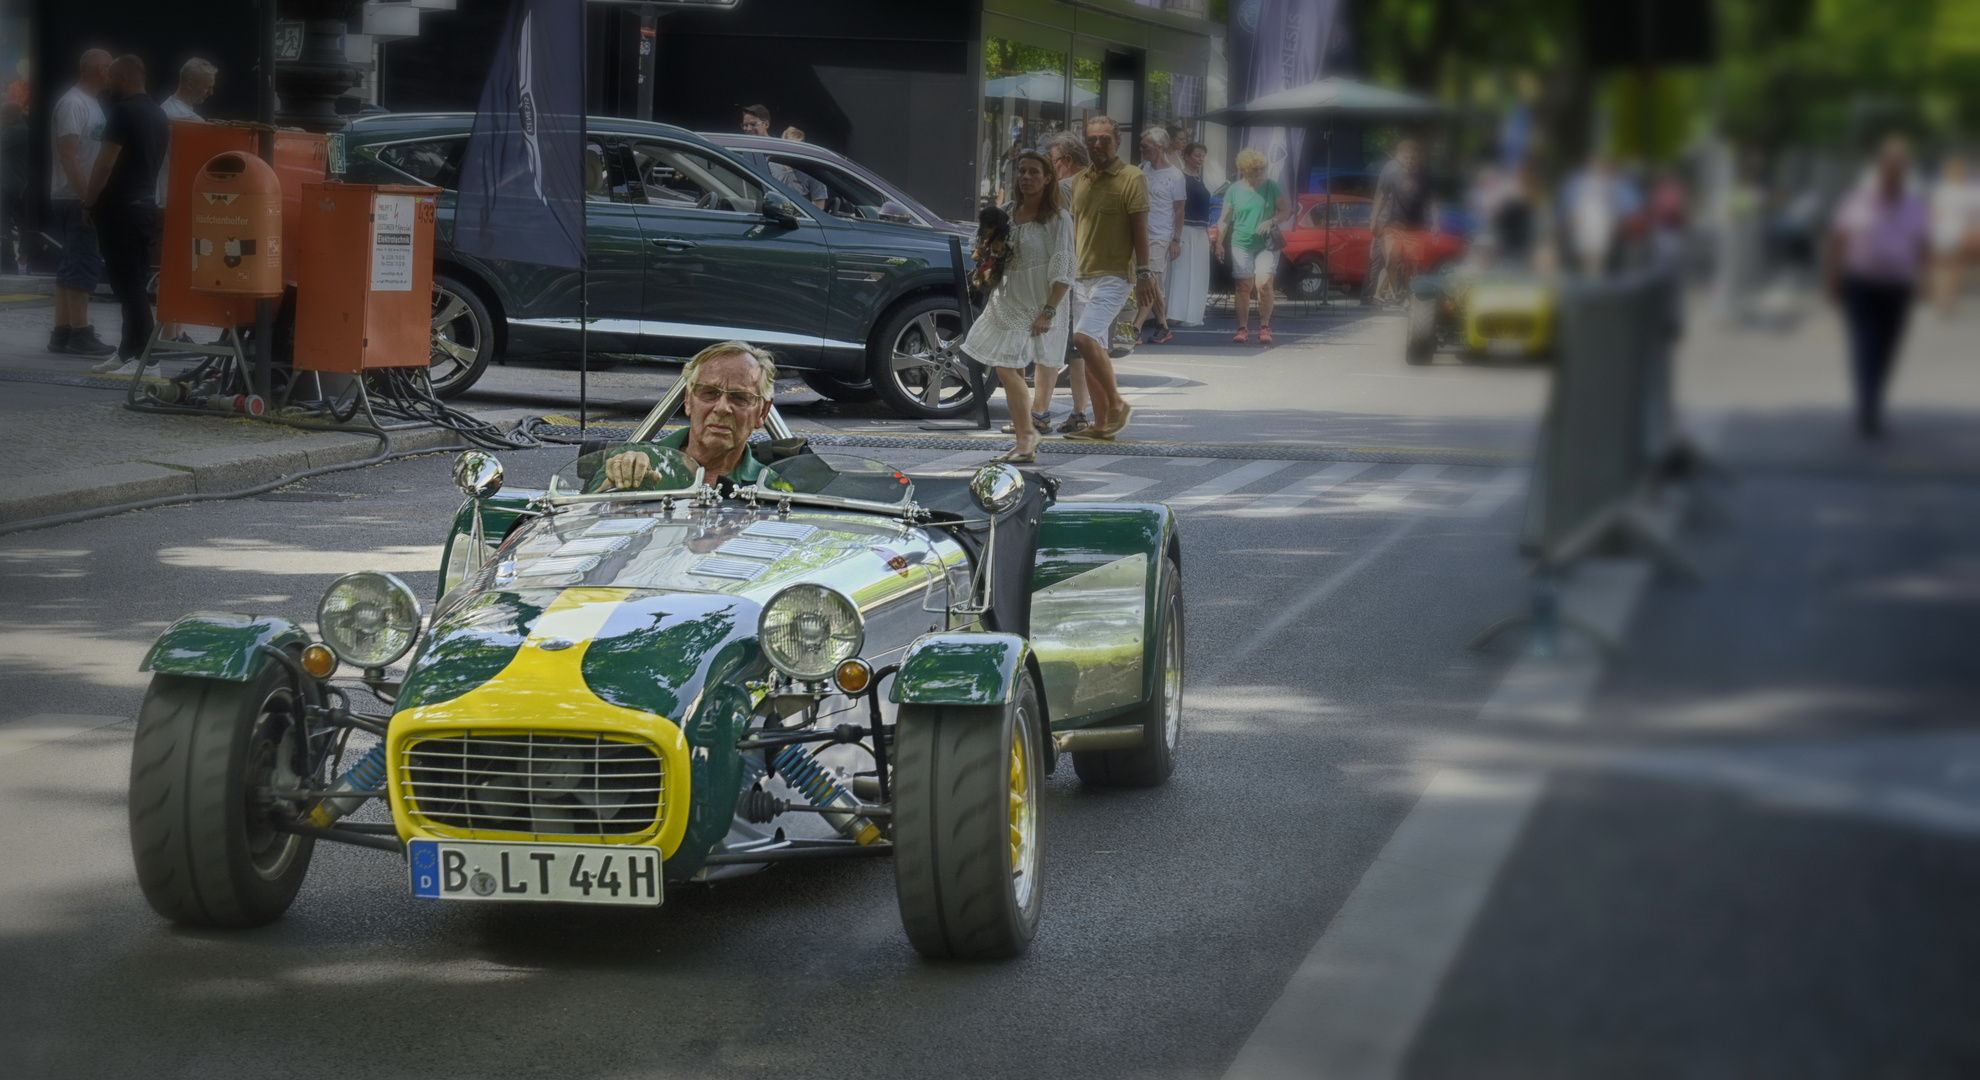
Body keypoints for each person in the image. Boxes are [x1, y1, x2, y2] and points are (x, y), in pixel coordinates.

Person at [960, 149, 1073, 463]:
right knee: (1009, 368)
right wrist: (985, 247)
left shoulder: (1058, 218)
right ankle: (1025, 439)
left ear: (1048, 178)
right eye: (1022, 171)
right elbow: (979, 247)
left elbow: (1065, 270)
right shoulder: (1007, 211)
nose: (1026, 177)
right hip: (1006, 299)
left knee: (1008, 368)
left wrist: (1048, 311)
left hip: (1039, 302)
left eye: (1034, 172)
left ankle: (1026, 439)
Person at [1824, 136, 1930, 440]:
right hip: (1861, 283)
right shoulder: (1856, 199)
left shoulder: (1915, 205)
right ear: (1879, 166)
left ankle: (1873, 400)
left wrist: (1925, 281)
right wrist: (1832, 280)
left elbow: (1923, 245)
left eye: (1901, 167)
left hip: (1898, 288)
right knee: (1865, 346)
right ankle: (1868, 408)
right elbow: (1837, 240)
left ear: (1907, 171)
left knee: (1887, 350)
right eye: (1890, 166)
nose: (1895, 172)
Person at [1067, 115, 1152, 440]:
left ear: (1117, 143)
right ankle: (1102, 425)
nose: (1097, 144)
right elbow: (1076, 230)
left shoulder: (1132, 177)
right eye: (1092, 139)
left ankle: (1117, 404)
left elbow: (1140, 229)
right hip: (1081, 275)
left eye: (1104, 139)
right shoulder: (1080, 180)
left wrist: (1144, 273)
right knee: (1091, 350)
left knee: (1084, 339)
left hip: (1115, 275)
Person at [596, 341, 780, 490]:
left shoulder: (771, 486)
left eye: (740, 397)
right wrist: (613, 485)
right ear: (688, 401)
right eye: (709, 393)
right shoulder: (632, 458)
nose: (722, 408)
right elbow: (579, 518)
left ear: (762, 411)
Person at [83, 54, 168, 377]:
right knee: (132, 282)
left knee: (128, 286)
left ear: (124, 78)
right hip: (145, 204)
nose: (107, 84)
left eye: (111, 78)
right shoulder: (158, 114)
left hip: (119, 208)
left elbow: (104, 164)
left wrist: (89, 204)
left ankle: (149, 361)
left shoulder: (122, 112)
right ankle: (126, 352)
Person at [48, 48, 113, 358]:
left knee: (71, 264)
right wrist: (89, 196)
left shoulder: (90, 103)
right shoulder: (75, 103)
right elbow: (68, 153)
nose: (112, 73)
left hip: (76, 196)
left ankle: (62, 332)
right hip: (77, 197)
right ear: (100, 69)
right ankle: (80, 333)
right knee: (83, 263)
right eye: (110, 67)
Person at [156, 57, 216, 348]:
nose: (210, 92)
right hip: (179, 200)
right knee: (177, 267)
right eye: (206, 86)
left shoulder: (163, 110)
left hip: (167, 196)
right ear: (190, 83)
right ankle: (171, 332)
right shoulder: (188, 121)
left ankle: (176, 330)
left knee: (175, 265)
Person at [1041, 130, 1094, 434]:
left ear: (1066, 161)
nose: (1049, 166)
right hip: (1098, 273)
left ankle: (1039, 413)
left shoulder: (1064, 187)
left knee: (1050, 341)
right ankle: (1080, 412)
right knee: (1081, 348)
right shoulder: (1102, 183)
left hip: (1068, 272)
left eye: (1051, 160)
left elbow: (1055, 231)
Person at [1214, 148, 1288, 344]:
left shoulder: (1272, 186)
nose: (1259, 171)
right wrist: (1218, 243)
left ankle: (1264, 327)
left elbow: (1285, 211)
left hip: (1266, 244)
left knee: (1264, 283)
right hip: (1241, 242)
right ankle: (1242, 328)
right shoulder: (1234, 190)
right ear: (1244, 169)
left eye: (1262, 168)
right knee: (1243, 286)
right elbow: (1224, 220)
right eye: (1255, 169)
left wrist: (1271, 221)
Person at [1133, 128, 1185, 344]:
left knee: (1149, 279)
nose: (1141, 149)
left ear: (1159, 147)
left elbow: (1180, 210)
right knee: (1149, 282)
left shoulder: (1175, 176)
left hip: (1160, 235)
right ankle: (1162, 325)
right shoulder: (1142, 169)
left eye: (1146, 146)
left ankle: (1135, 328)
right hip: (1140, 233)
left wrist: (1176, 239)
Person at [1369, 137, 1430, 303]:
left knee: (1398, 263)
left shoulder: (1419, 174)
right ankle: (1385, 293)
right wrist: (1375, 220)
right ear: (1400, 154)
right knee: (1388, 260)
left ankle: (1388, 294)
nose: (1408, 159)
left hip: (1407, 226)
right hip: (1389, 222)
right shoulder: (1392, 170)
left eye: (1411, 157)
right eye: (1405, 155)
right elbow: (1381, 196)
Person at [1930, 154, 1980, 317]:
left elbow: (1934, 214)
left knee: (1945, 268)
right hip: (1959, 233)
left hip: (1944, 234)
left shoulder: (1941, 190)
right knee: (1956, 269)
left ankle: (1945, 299)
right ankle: (1950, 299)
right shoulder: (1971, 192)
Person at [1168, 141, 1212, 326]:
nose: (1201, 159)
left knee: (1198, 273)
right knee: (1181, 272)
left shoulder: (1199, 178)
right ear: (1186, 156)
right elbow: (1177, 207)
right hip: (1185, 229)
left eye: (1203, 155)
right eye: (1196, 155)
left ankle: (1192, 314)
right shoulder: (1180, 177)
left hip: (1200, 230)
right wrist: (1176, 237)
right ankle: (1175, 314)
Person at [1, 101, 27, 274]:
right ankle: (22, 256)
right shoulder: (24, 129)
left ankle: (8, 263)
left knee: (3, 225)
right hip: (20, 186)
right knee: (21, 223)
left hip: (9, 186)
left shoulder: (14, 131)